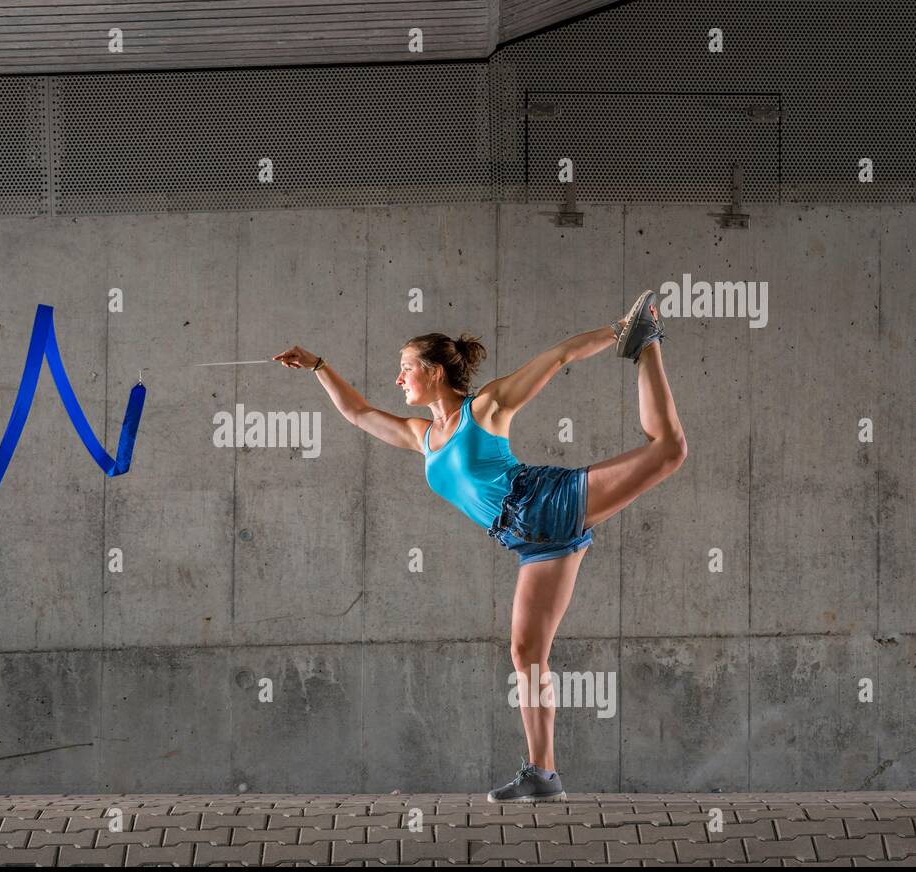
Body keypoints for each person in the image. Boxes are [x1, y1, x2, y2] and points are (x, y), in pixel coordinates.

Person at [272, 290, 686, 802]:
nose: (398, 379)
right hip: (530, 545)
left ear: (435, 372)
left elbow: (555, 358)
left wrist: (618, 330)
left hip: (547, 503)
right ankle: (543, 773)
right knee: (526, 652)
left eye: (406, 368)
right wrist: (317, 366)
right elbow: (357, 413)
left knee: (668, 450)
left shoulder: (485, 408)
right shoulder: (420, 436)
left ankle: (646, 341)